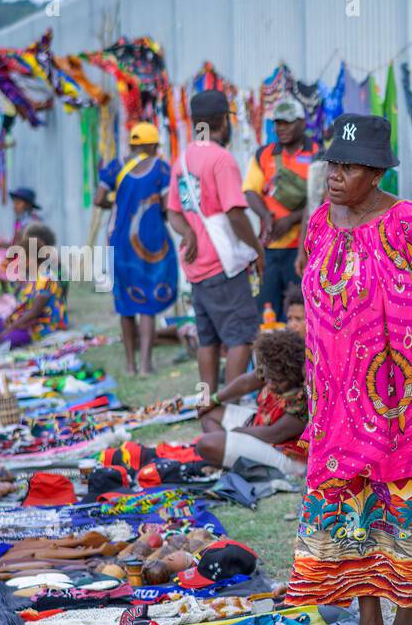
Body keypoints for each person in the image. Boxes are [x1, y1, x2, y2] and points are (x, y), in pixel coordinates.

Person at [284, 112, 412, 625]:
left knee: (404, 499)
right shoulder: (319, 224)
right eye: (332, 165)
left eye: (349, 166)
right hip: (337, 399)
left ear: (377, 172)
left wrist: (411, 351)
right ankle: (367, 623)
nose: (335, 175)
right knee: (352, 502)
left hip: (399, 400)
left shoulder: (408, 224)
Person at [166, 89, 265, 396]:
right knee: (241, 338)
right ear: (223, 121)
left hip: (196, 267)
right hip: (224, 264)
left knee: (208, 340)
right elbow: (235, 213)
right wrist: (258, 250)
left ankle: (206, 402)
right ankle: (229, 406)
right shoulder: (222, 160)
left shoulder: (181, 160)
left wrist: (188, 232)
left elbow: (173, 212)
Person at [95, 122, 179, 375]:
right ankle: (145, 365)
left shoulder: (115, 167)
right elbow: (167, 205)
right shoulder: (161, 168)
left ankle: (130, 365)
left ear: (132, 144)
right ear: (153, 145)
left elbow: (100, 199)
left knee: (125, 302)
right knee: (148, 301)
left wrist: (120, 203)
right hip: (152, 241)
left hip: (119, 241)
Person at [194, 327, 308, 475]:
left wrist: (235, 433)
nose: (271, 384)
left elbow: (273, 434)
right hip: (261, 427)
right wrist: (215, 399)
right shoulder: (274, 368)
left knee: (206, 443)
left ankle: (226, 457)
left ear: (293, 374)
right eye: (268, 378)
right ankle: (227, 459)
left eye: (278, 381)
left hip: (285, 453)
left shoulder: (302, 397)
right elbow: (246, 383)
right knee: (209, 413)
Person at [243, 97, 315, 321]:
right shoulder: (264, 154)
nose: (281, 128)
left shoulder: (317, 154)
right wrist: (266, 215)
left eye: (288, 122)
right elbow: (249, 191)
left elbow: (320, 200)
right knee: (266, 311)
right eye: (278, 123)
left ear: (302, 123)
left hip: (302, 251)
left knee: (299, 313)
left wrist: (291, 220)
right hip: (269, 248)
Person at [0, 223, 68, 346]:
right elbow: (25, 305)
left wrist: (11, 327)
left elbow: (34, 312)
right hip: (30, 323)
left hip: (45, 327)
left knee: (5, 338)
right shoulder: (32, 278)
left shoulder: (46, 280)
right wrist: (11, 318)